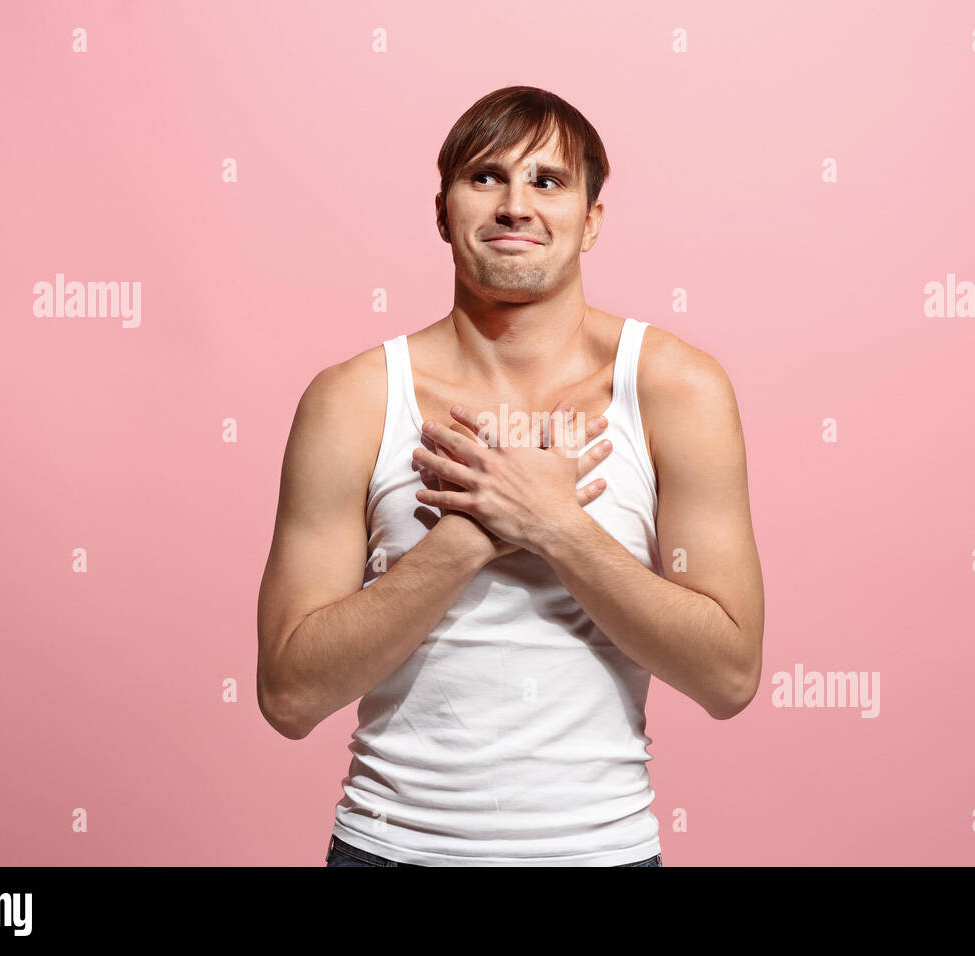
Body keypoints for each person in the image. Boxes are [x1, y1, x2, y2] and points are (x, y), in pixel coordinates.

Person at [256, 86, 764, 866]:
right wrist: (469, 537)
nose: (515, 205)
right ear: (442, 212)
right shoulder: (354, 398)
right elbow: (290, 695)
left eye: (548, 182)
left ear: (591, 220)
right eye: (486, 177)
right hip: (387, 850)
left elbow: (728, 677)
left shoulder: (675, 389)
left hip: (603, 854)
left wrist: (556, 526)